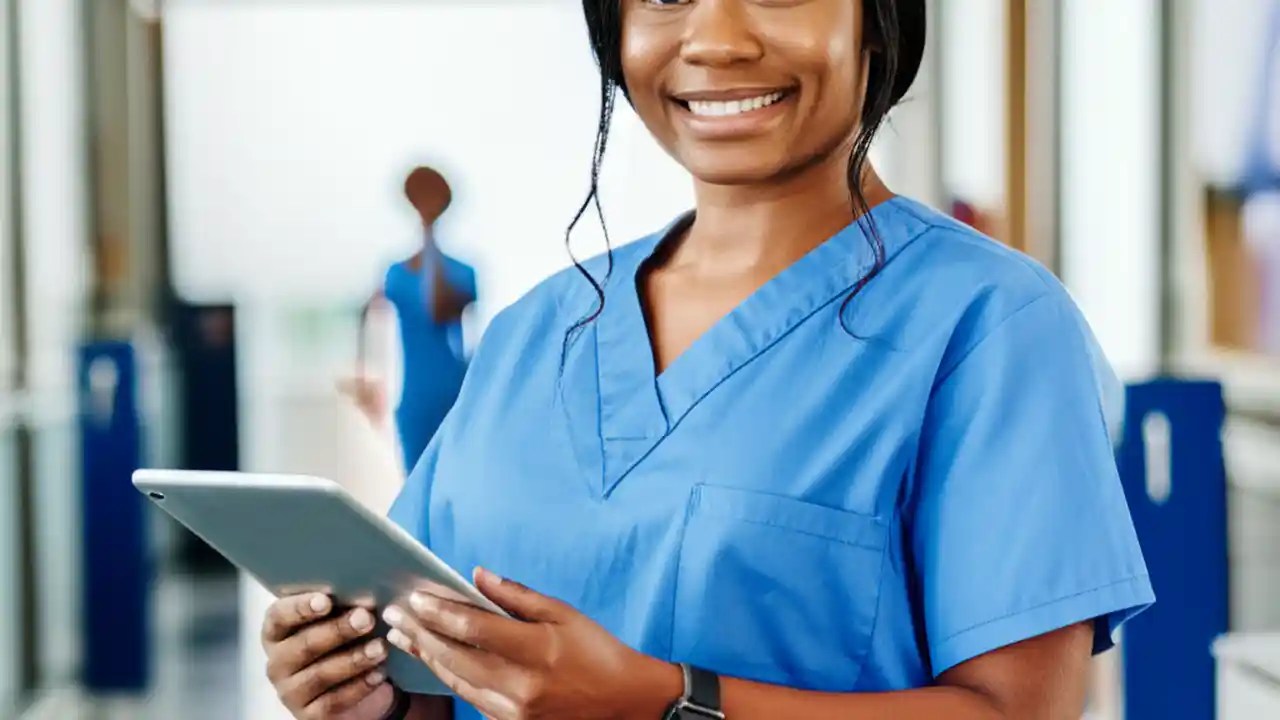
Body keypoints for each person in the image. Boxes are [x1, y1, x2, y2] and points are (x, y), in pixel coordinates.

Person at [263, 1, 1155, 718]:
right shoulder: (534, 334)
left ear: (876, 19)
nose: (717, 39)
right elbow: (446, 674)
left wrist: (669, 704)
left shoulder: (990, 325)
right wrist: (366, 695)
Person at [342, 166, 478, 473]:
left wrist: (430, 237)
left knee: (455, 476)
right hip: (415, 396)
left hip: (456, 393)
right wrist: (362, 372)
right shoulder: (397, 273)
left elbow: (439, 307)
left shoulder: (464, 273)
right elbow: (366, 311)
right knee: (416, 477)